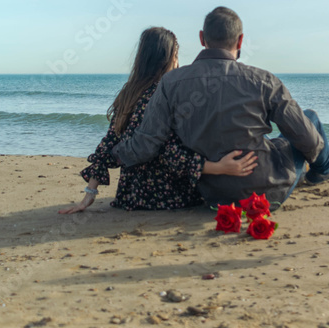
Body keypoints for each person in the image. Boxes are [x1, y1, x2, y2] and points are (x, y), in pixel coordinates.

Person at [111, 7, 329, 209]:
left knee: (289, 134)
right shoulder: (263, 81)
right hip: (265, 193)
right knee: (309, 119)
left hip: (211, 195)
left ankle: (320, 167)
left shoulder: (170, 83)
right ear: (241, 40)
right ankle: (324, 169)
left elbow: (146, 145)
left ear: (202, 38)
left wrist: (110, 155)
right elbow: (305, 136)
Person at [59, 27, 256, 214]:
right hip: (173, 196)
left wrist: (90, 193)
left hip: (130, 196)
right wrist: (218, 167)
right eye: (176, 55)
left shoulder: (130, 92)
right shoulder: (167, 93)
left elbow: (110, 141)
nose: (178, 62)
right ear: (168, 58)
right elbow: (167, 152)